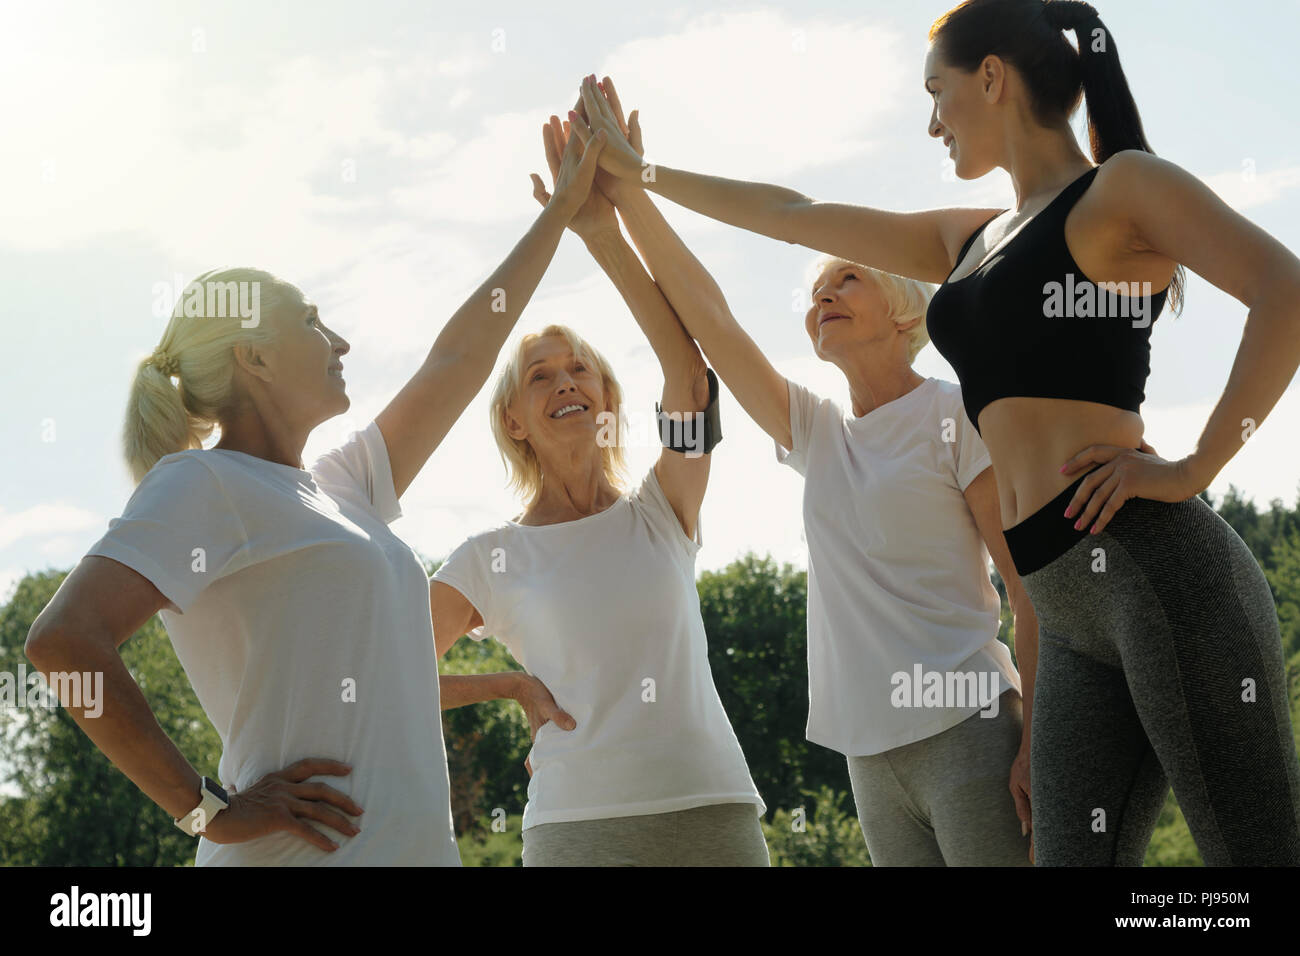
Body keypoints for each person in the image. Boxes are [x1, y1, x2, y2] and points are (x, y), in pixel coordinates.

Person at [568, 0, 1300, 867]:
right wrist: (637, 173)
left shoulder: (1123, 188)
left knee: (1250, 868)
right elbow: (793, 211)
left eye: (937, 93)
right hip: (1065, 613)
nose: (929, 122)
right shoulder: (972, 239)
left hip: (1153, 569)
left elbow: (1283, 290)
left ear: (991, 78)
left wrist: (1188, 469)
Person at [22, 126, 611, 865]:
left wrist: (559, 210)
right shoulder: (202, 483)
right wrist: (203, 809)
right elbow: (62, 642)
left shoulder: (343, 489)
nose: (340, 343)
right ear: (255, 357)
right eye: (311, 322)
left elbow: (460, 357)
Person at [572, 79, 1035, 866]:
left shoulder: (955, 415)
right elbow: (711, 320)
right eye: (815, 291)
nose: (823, 296)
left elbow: (1025, 588)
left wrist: (1039, 737)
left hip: (968, 725)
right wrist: (618, 197)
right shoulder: (818, 432)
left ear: (903, 309)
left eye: (846, 280)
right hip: (867, 752)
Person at [428, 113, 768, 867]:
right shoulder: (489, 558)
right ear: (514, 419)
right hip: (578, 830)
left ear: (607, 398)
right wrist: (509, 686)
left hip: (713, 810)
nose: (565, 383)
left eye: (580, 369)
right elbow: (385, 666)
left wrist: (601, 231)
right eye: (541, 377)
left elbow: (690, 377)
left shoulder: (662, 512)